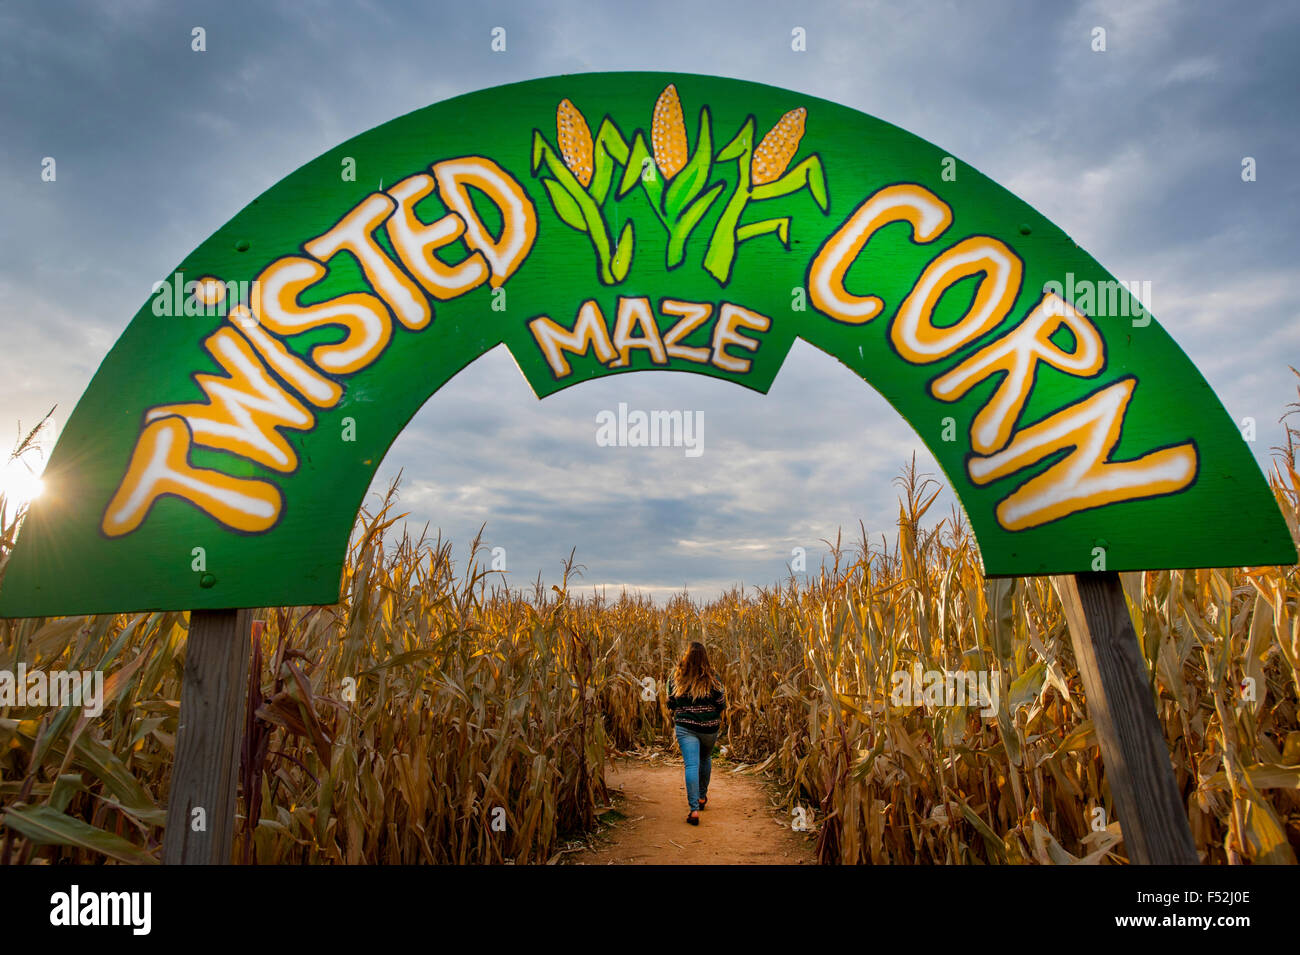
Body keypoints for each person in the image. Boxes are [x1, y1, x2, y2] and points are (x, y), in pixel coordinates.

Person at [666, 641, 725, 826]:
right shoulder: (713, 677)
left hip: (686, 727)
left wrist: (684, 709)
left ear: (687, 656)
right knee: (705, 758)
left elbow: (670, 703)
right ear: (705, 657)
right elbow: (721, 704)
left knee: (691, 765)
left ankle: (694, 811)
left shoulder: (677, 676)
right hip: (709, 728)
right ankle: (701, 797)